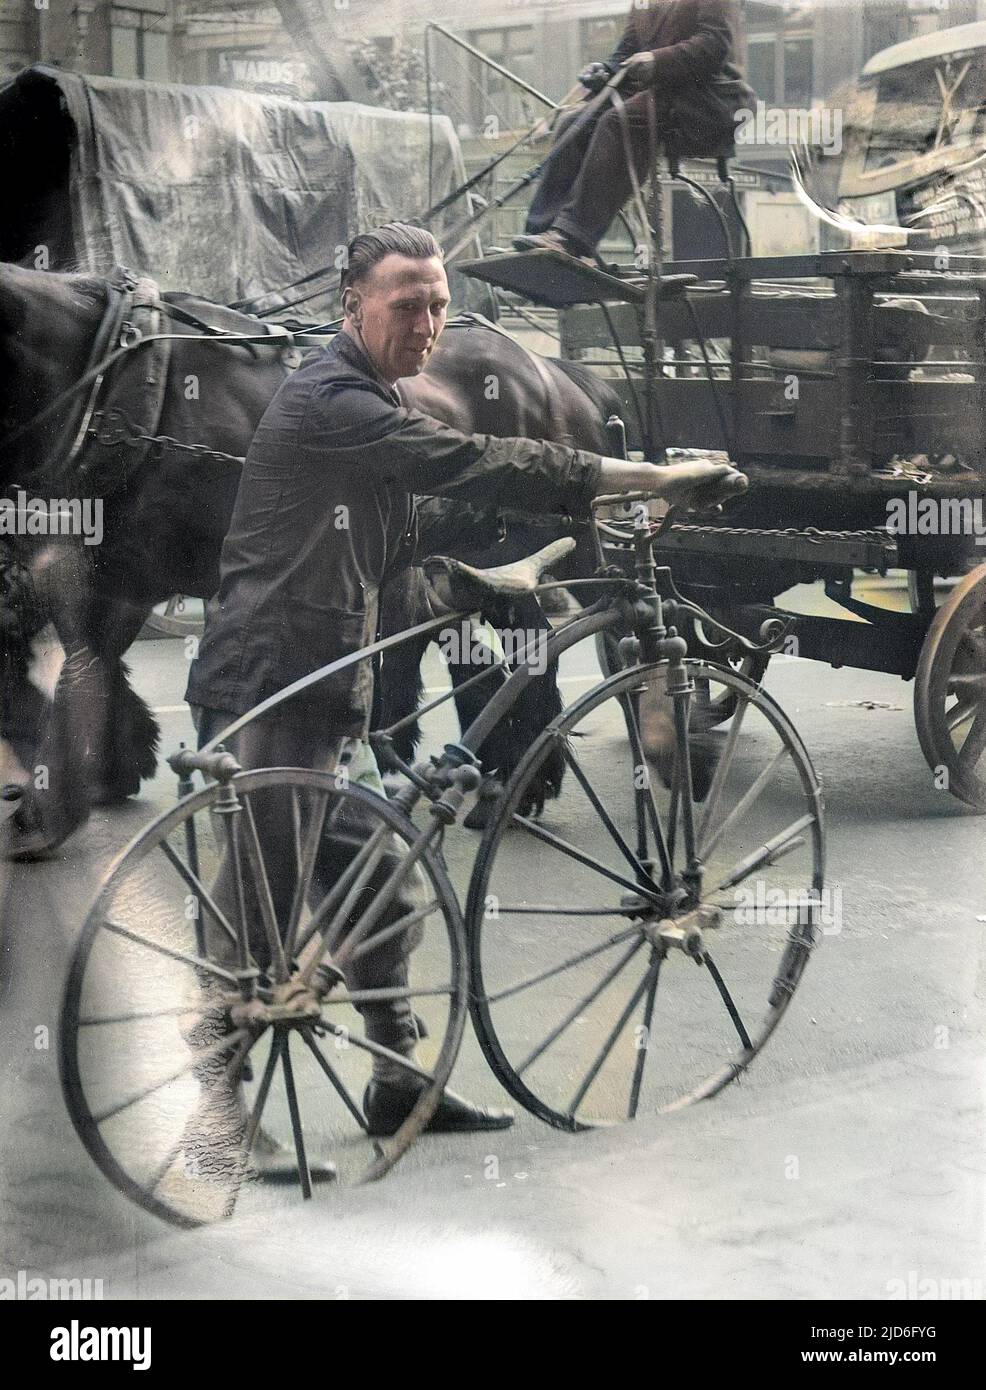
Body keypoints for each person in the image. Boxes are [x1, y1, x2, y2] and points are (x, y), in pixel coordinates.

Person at [185, 221, 745, 1146]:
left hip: (319, 679)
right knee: (264, 901)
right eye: (407, 304)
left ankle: (398, 1082)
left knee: (382, 881)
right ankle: (211, 1109)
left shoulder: (363, 397)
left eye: (439, 306)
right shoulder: (332, 399)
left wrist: (493, 571)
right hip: (271, 679)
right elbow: (470, 458)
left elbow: (412, 518)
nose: (427, 324)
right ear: (351, 306)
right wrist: (636, 474)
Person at [515, 0, 753, 260]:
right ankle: (539, 234)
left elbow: (714, 44)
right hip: (659, 91)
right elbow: (629, 46)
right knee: (574, 121)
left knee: (618, 123)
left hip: (707, 97)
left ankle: (571, 238)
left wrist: (656, 60)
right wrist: (607, 70)